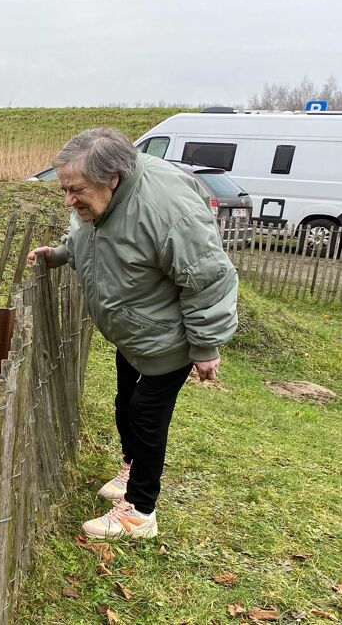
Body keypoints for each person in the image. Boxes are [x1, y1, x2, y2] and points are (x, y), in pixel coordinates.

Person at [28, 128, 238, 539]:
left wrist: (205, 344)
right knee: (126, 403)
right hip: (136, 329)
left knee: (146, 413)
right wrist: (60, 254)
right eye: (64, 190)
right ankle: (132, 469)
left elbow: (208, 277)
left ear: (113, 179)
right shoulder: (102, 201)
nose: (69, 200)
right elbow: (90, 237)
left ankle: (140, 511)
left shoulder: (166, 210)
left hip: (169, 337)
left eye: (76, 190)